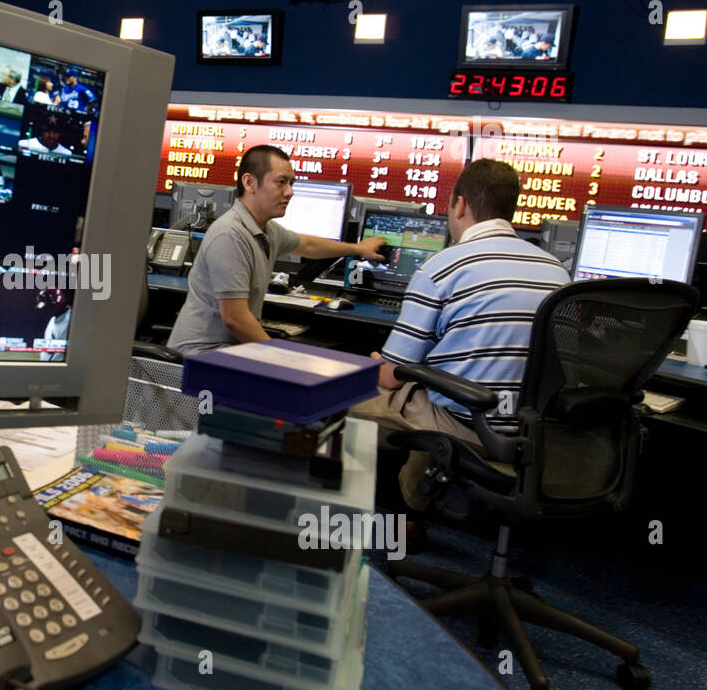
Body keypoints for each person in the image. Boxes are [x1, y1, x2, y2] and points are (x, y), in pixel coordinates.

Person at [348, 159, 571, 513]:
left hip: (470, 425)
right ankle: (417, 490)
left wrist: (375, 365)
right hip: (533, 432)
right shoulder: (556, 271)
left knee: (342, 398)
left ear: (461, 205)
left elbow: (391, 378)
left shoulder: (442, 267)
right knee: (426, 391)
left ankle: (397, 517)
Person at [167, 146, 386, 356]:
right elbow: (235, 318)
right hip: (199, 357)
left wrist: (358, 248)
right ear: (250, 182)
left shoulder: (267, 230)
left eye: (291, 183)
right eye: (281, 182)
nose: (290, 192)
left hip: (230, 349)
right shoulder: (229, 235)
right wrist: (277, 357)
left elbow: (307, 245)